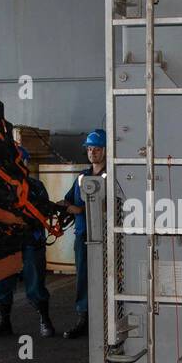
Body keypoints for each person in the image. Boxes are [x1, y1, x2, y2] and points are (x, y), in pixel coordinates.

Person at [0, 146, 55, 338]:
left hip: (31, 241)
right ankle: (4, 322)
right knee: (1, 283)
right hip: (7, 243)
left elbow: (43, 213)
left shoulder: (36, 187)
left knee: (35, 283)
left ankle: (44, 319)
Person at [60, 128, 106, 340]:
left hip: (106, 236)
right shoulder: (81, 177)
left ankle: (106, 319)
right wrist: (67, 206)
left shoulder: (112, 176)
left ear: (105, 151)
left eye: (97, 148)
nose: (92, 152)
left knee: (108, 276)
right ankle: (84, 318)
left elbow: (116, 205)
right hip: (83, 235)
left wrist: (81, 210)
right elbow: (67, 199)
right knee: (84, 277)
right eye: (89, 148)